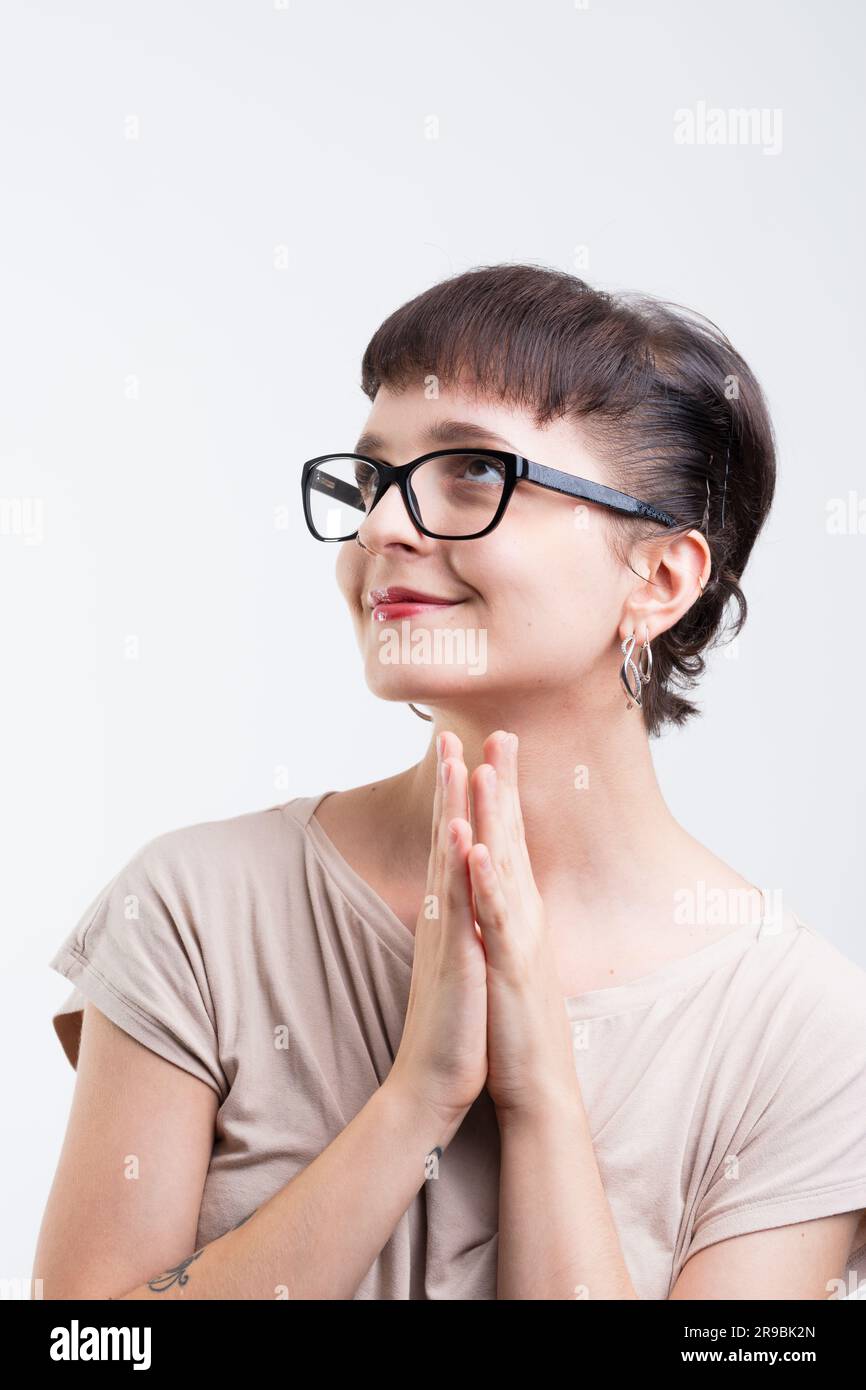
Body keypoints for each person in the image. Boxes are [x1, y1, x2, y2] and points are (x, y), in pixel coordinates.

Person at [36, 264, 866, 1300]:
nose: (383, 527)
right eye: (372, 478)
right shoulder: (196, 910)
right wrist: (412, 1103)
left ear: (657, 579)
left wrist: (540, 1101)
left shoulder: (806, 1034)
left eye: (474, 469)